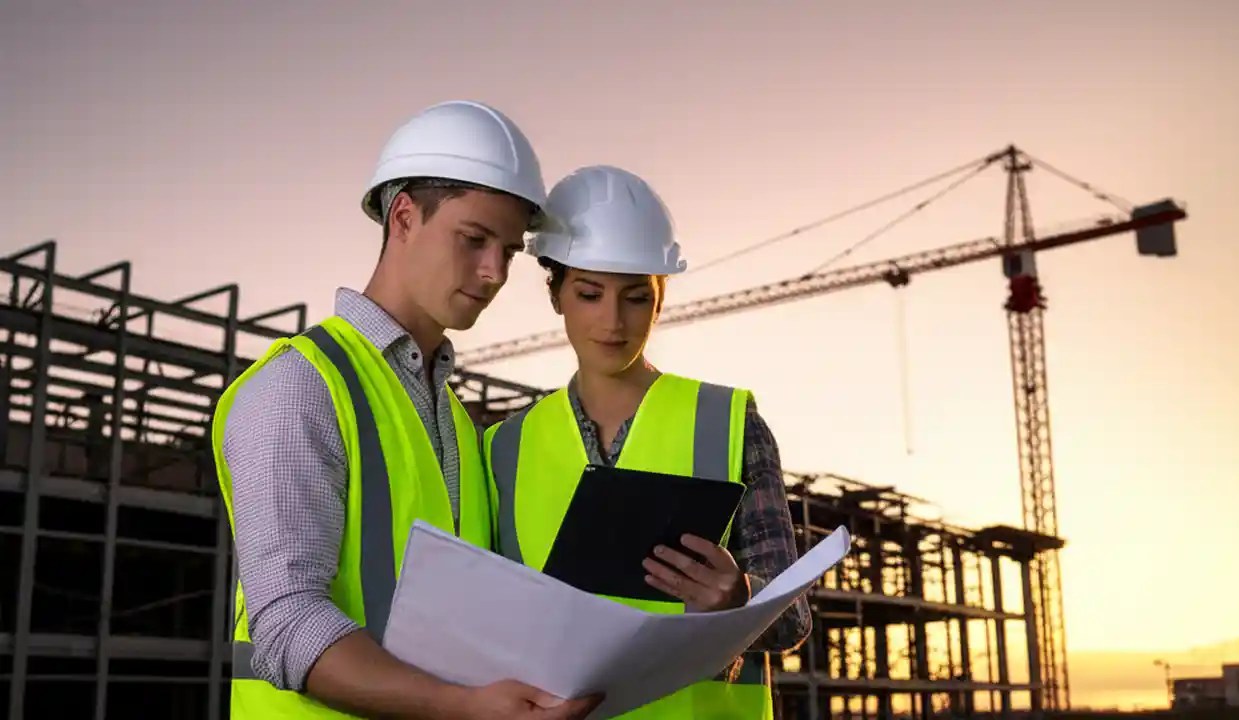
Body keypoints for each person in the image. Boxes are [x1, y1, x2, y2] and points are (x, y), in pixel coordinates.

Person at [212, 100, 601, 720]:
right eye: (474, 239)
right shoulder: (299, 387)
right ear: (403, 217)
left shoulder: (452, 417)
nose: (494, 272)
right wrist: (464, 706)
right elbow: (285, 626)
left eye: (509, 250)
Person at [483, 165, 812, 719]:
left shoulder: (729, 422)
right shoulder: (502, 448)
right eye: (589, 294)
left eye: (635, 297)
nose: (613, 321)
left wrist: (738, 600)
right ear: (556, 295)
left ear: (661, 297)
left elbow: (793, 617)